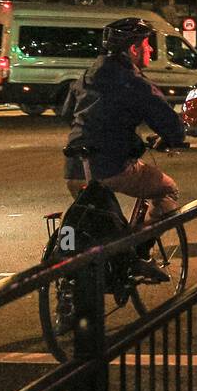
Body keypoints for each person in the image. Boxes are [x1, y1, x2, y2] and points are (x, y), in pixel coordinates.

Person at [60, 18, 187, 279]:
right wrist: (170, 138)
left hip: (74, 168)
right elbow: (171, 125)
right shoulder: (134, 82)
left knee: (104, 226)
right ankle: (139, 254)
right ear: (133, 50)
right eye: (147, 45)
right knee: (166, 188)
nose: (151, 50)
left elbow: (67, 113)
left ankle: (105, 265)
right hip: (110, 167)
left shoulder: (88, 75)